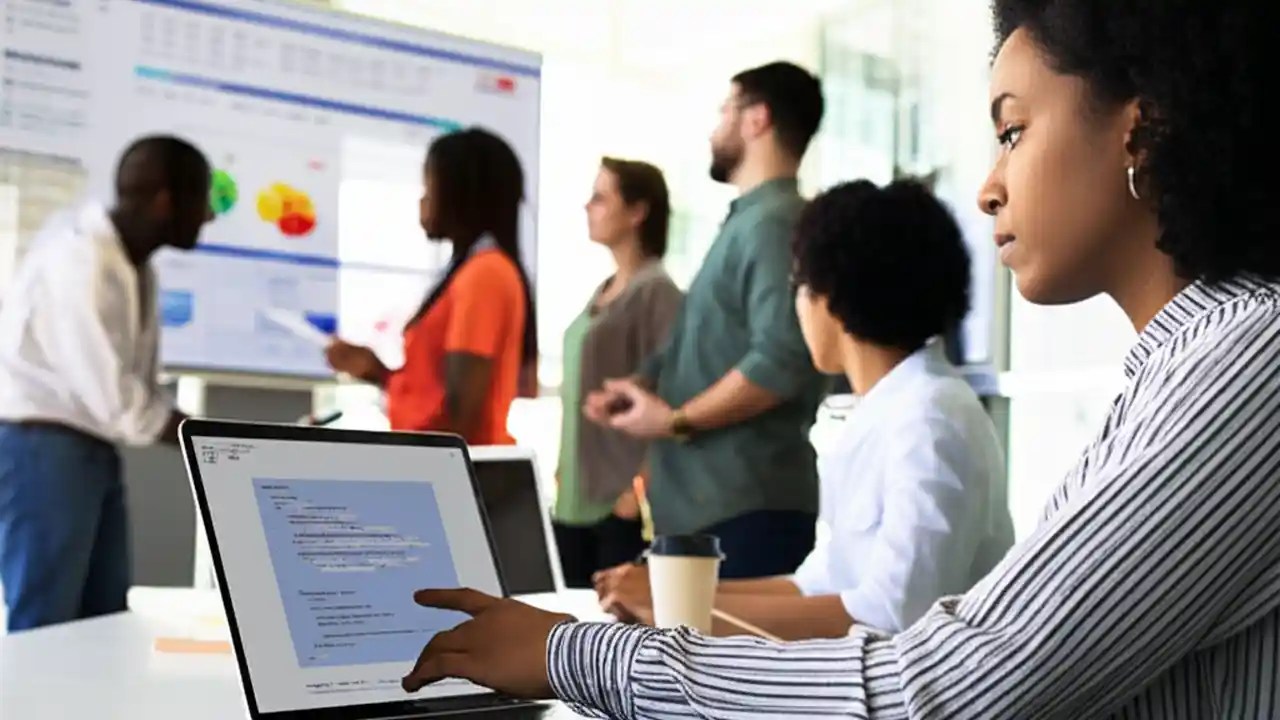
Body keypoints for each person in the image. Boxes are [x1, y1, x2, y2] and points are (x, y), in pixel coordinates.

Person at [399, 1, 1280, 717]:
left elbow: (950, 677)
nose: (988, 185)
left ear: (1142, 129)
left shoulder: (1242, 362)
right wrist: (667, 623)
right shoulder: (1173, 371)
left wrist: (580, 654)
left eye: (1012, 132)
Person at [595, 179, 1014, 639]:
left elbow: (894, 613)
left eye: (798, 284)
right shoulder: (891, 407)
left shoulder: (929, 419)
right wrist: (668, 594)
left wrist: (682, 614)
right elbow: (819, 583)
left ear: (828, 295)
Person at [583, 61, 828, 579]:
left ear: (756, 118)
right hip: (716, 511)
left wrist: (673, 420)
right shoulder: (748, 221)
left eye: (725, 110)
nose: (716, 126)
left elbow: (781, 360)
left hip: (744, 511)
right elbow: (708, 341)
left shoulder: (774, 222)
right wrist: (643, 383)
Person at [0, 136, 212, 632]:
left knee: (102, 621)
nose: (208, 217)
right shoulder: (81, 259)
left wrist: (206, 436)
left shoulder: (133, 264)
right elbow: (117, 399)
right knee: (47, 623)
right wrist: (213, 440)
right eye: (203, 201)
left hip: (85, 447)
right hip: (43, 448)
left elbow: (135, 389)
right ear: (165, 201)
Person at [326, 128, 536, 445]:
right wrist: (379, 372)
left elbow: (461, 416)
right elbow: (438, 397)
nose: (423, 199)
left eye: (429, 186)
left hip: (460, 477)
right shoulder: (470, 271)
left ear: (460, 193)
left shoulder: (485, 274)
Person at [553, 158, 683, 588]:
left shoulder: (656, 292)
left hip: (616, 505)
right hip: (575, 498)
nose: (588, 207)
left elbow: (674, 393)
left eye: (600, 197)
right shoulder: (605, 290)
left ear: (637, 211)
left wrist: (635, 492)